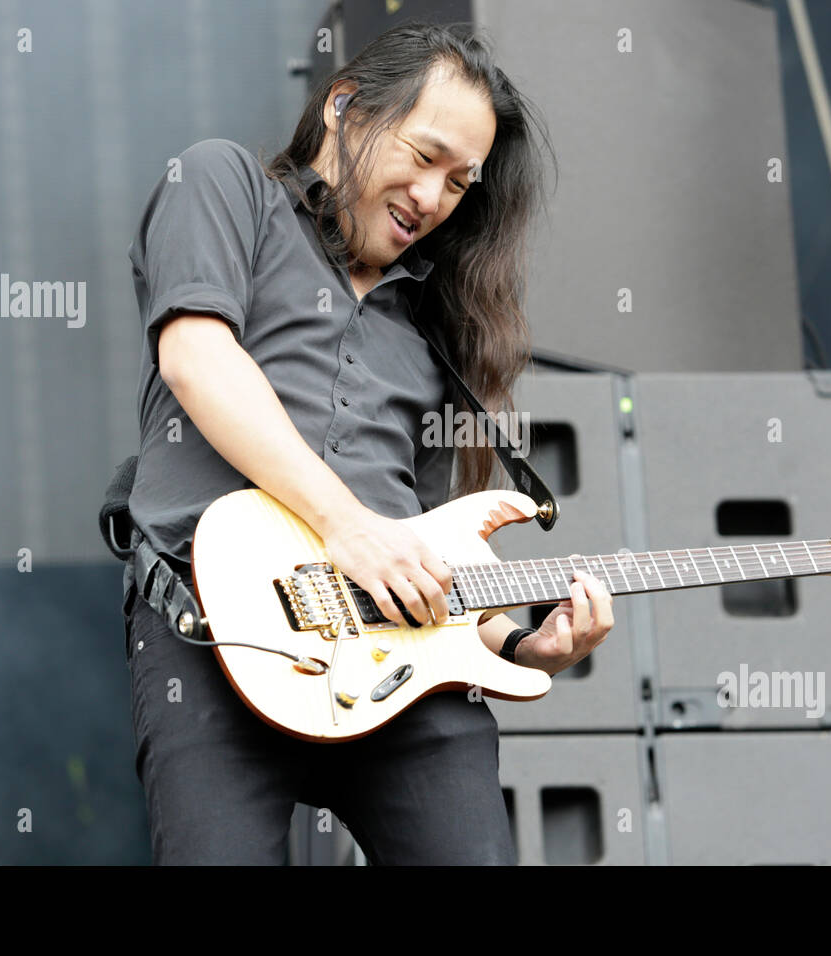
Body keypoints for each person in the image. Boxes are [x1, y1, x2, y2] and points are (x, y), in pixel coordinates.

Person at [121, 21, 613, 865]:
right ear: (345, 107)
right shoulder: (222, 181)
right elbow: (198, 358)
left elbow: (427, 549)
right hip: (213, 632)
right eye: (423, 157)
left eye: (461, 184)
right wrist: (347, 526)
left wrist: (524, 645)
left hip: (402, 656)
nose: (434, 196)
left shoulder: (436, 325)